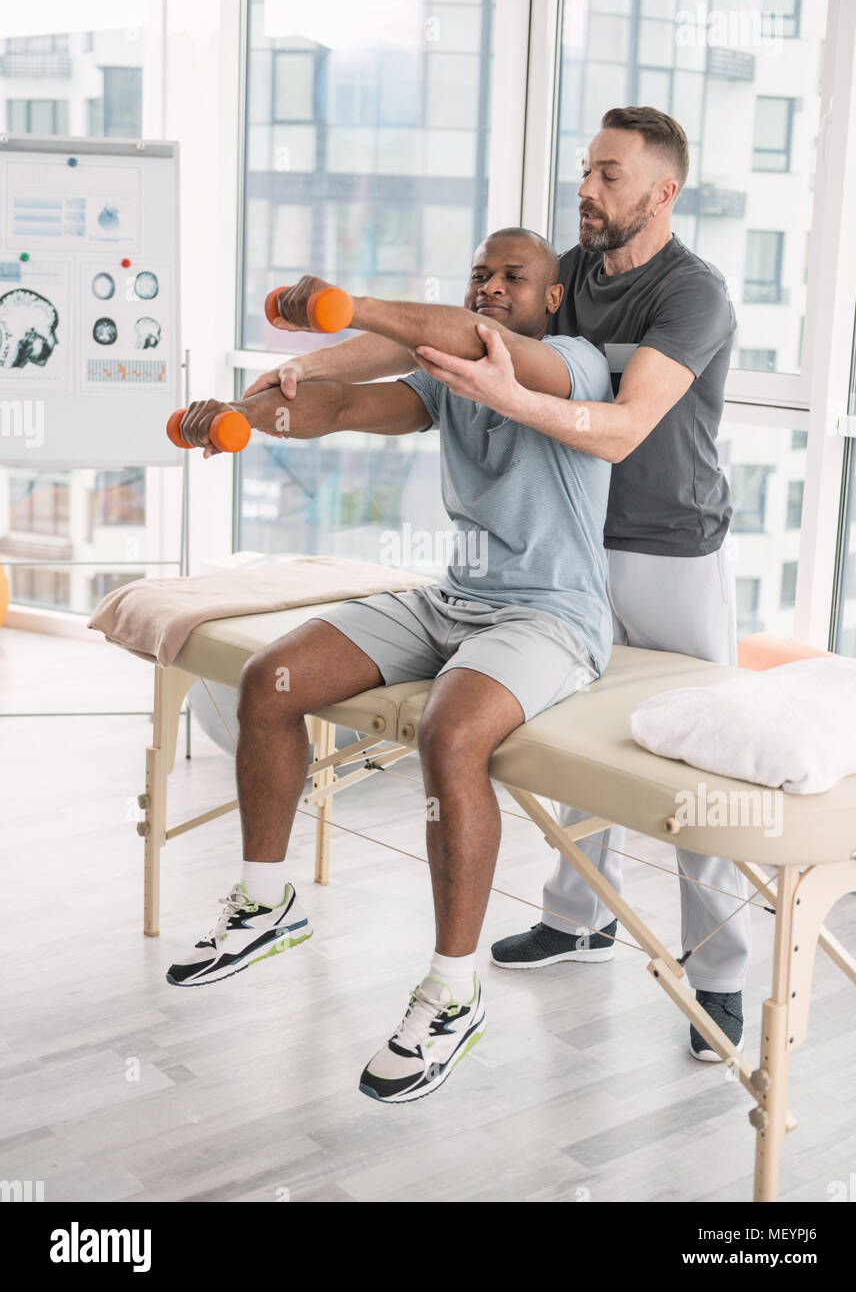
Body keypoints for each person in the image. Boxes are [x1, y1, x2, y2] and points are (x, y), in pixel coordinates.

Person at [243, 107, 745, 1062]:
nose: (586, 191)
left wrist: (515, 398)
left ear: (661, 191)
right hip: (563, 548)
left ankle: (715, 974)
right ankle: (576, 922)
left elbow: (627, 427)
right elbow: (440, 341)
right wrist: (307, 365)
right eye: (585, 172)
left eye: (607, 175)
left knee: (692, 766)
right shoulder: (565, 274)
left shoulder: (693, 296)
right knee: (574, 750)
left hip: (663, 549)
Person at [167, 229, 614, 1104]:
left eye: (511, 277)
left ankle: (452, 992)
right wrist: (246, 415)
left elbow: (458, 336)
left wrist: (353, 308)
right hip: (453, 601)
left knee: (450, 735)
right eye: (478, 272)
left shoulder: (574, 363)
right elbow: (338, 410)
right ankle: (266, 904)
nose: (489, 286)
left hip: (550, 616)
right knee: (271, 679)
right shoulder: (446, 384)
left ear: (551, 299)